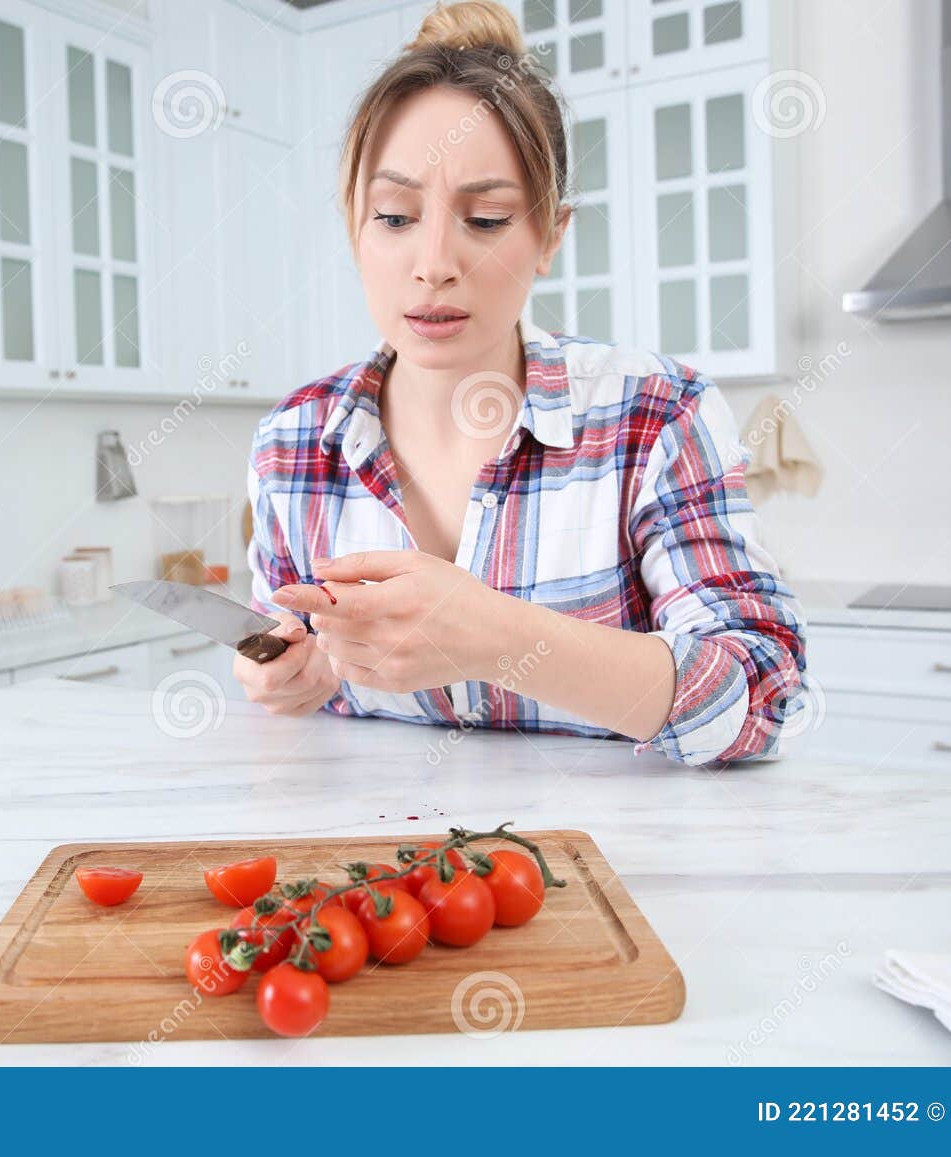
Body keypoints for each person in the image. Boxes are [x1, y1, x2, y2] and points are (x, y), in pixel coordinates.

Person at [234, 0, 807, 766]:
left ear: (550, 235)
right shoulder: (291, 443)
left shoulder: (658, 417)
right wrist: (286, 678)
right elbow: (285, 647)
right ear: (354, 227)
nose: (434, 261)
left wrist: (500, 638)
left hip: (611, 867)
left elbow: (766, 698)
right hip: (390, 870)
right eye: (396, 216)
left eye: (489, 218)